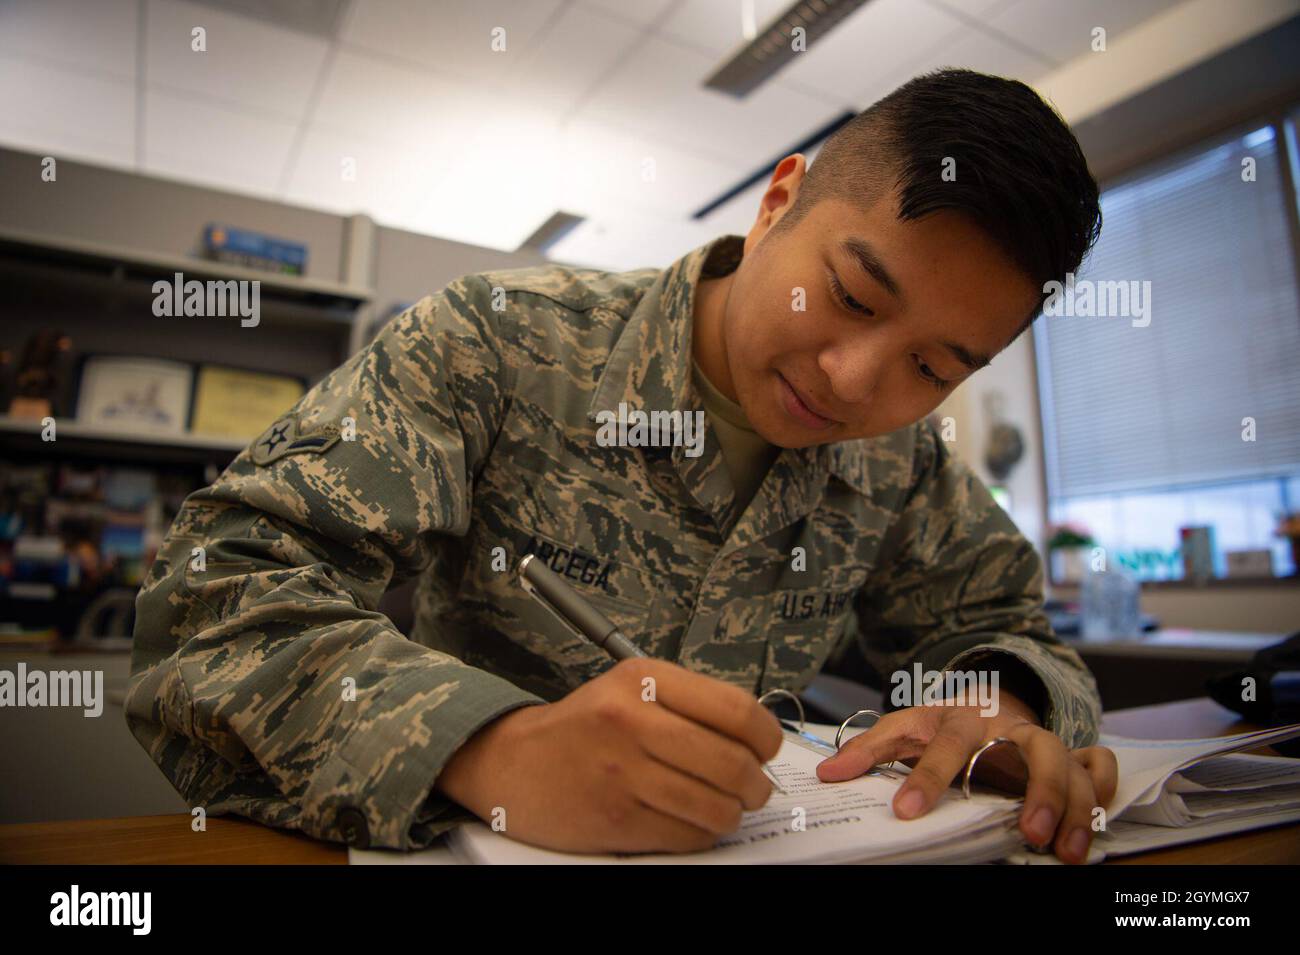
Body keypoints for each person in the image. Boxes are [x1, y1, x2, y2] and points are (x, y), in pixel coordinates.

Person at [127, 68, 1115, 864]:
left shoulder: (899, 459)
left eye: (933, 366)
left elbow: (998, 620)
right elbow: (214, 595)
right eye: (851, 298)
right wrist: (484, 747)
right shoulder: (496, 345)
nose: (857, 382)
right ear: (776, 206)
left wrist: (1003, 698)